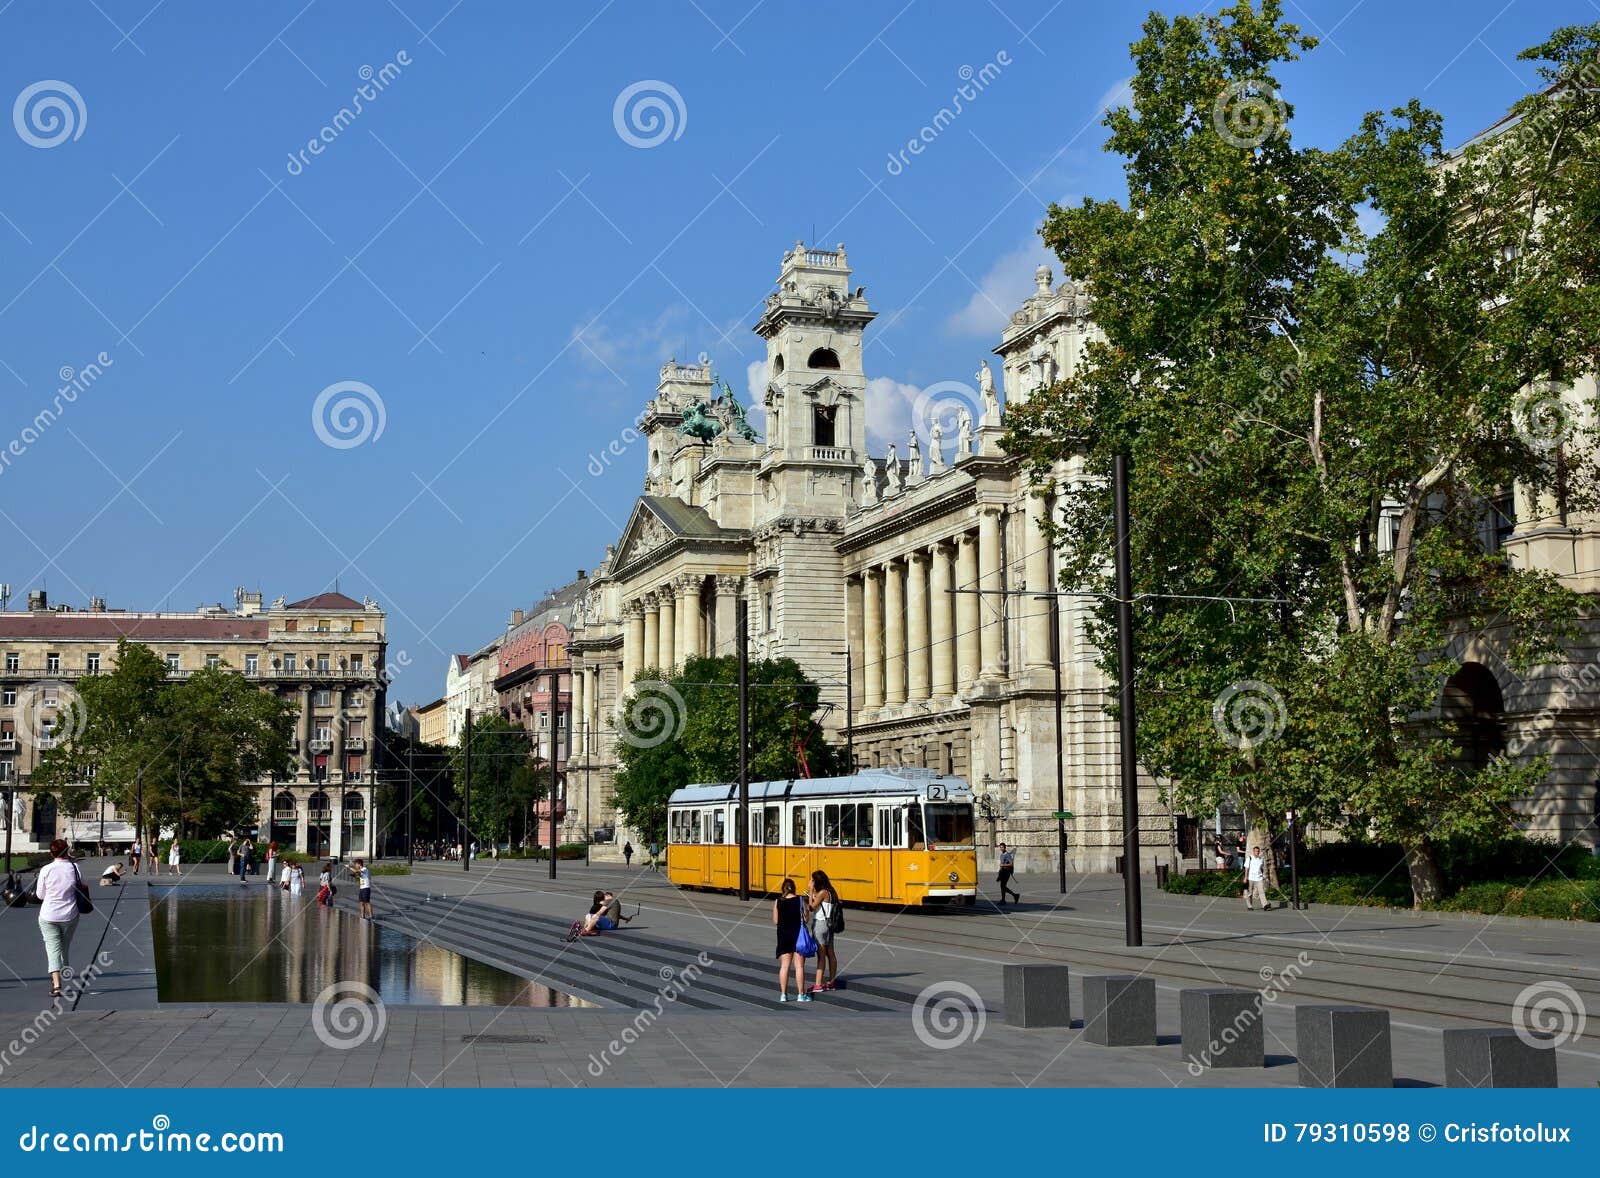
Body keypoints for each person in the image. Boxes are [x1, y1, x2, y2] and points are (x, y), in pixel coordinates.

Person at [28, 840, 83, 998]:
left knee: (53, 948)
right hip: (70, 914)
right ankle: (63, 974)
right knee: (64, 947)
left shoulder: (46, 869)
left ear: (51, 853)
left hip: (49, 915)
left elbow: (40, 895)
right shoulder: (75, 867)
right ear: (67, 851)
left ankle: (57, 984)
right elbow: (80, 888)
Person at [774, 878, 809, 1002]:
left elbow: (776, 921)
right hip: (798, 936)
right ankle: (801, 995)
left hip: (783, 936)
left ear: (783, 888)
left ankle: (783, 995)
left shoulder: (778, 901)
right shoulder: (800, 900)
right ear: (794, 888)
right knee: (799, 966)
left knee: (784, 966)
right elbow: (806, 919)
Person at [806, 870, 839, 993]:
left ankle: (818, 985)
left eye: (813, 880)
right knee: (831, 953)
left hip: (820, 925)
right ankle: (831, 982)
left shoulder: (822, 892)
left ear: (817, 881)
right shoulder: (831, 891)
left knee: (821, 955)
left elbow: (811, 907)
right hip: (829, 925)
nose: (811, 881)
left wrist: (810, 891)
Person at [1243, 844, 1269, 911]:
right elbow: (1246, 869)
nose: (1257, 852)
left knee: (1262, 891)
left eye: (1258, 851)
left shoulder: (1261, 859)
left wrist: (1262, 875)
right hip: (1250, 878)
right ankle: (1249, 906)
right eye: (1256, 851)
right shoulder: (1249, 858)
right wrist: (1245, 877)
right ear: (1253, 851)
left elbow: (1262, 868)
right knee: (1250, 893)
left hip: (1259, 878)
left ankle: (1265, 905)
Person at [996, 841, 1020, 906]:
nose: (1001, 848)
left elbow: (1011, 864)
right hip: (1002, 872)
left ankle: (1004, 900)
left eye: (1002, 847)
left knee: (1003, 886)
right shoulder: (1001, 855)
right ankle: (1014, 896)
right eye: (1000, 847)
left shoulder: (1007, 855)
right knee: (1002, 886)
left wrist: (1003, 865)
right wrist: (999, 872)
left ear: (1005, 847)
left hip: (1006, 872)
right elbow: (1001, 864)